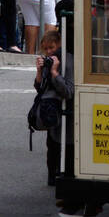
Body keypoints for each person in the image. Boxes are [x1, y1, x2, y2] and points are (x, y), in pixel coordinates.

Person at [34, 27, 73, 187]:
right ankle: (52, 173)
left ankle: (63, 172)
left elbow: (68, 91)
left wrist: (55, 73)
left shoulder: (67, 61)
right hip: (50, 109)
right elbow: (39, 88)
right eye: (46, 49)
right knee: (51, 144)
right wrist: (39, 70)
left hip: (65, 109)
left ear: (59, 46)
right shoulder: (47, 61)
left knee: (64, 141)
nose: (49, 52)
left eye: (52, 48)